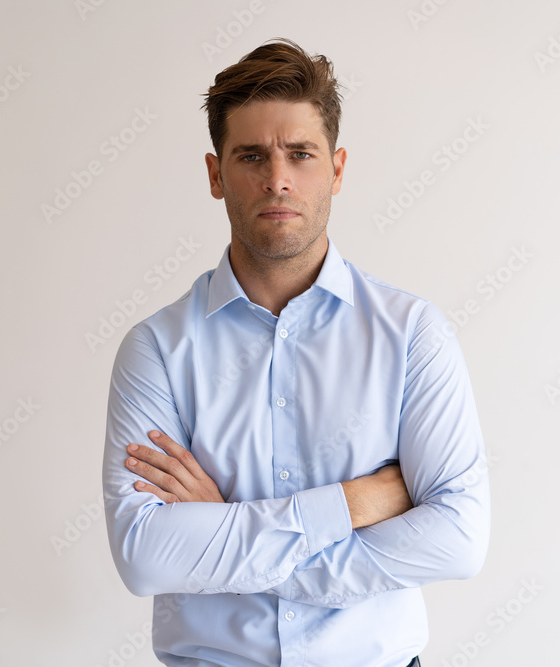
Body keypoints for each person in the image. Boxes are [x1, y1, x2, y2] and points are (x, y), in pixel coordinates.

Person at [101, 38, 490, 667]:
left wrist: (229, 532)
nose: (277, 178)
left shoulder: (414, 335)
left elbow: (458, 541)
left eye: (300, 154)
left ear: (336, 169)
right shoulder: (156, 350)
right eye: (251, 155)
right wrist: (353, 504)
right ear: (215, 174)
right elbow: (145, 555)